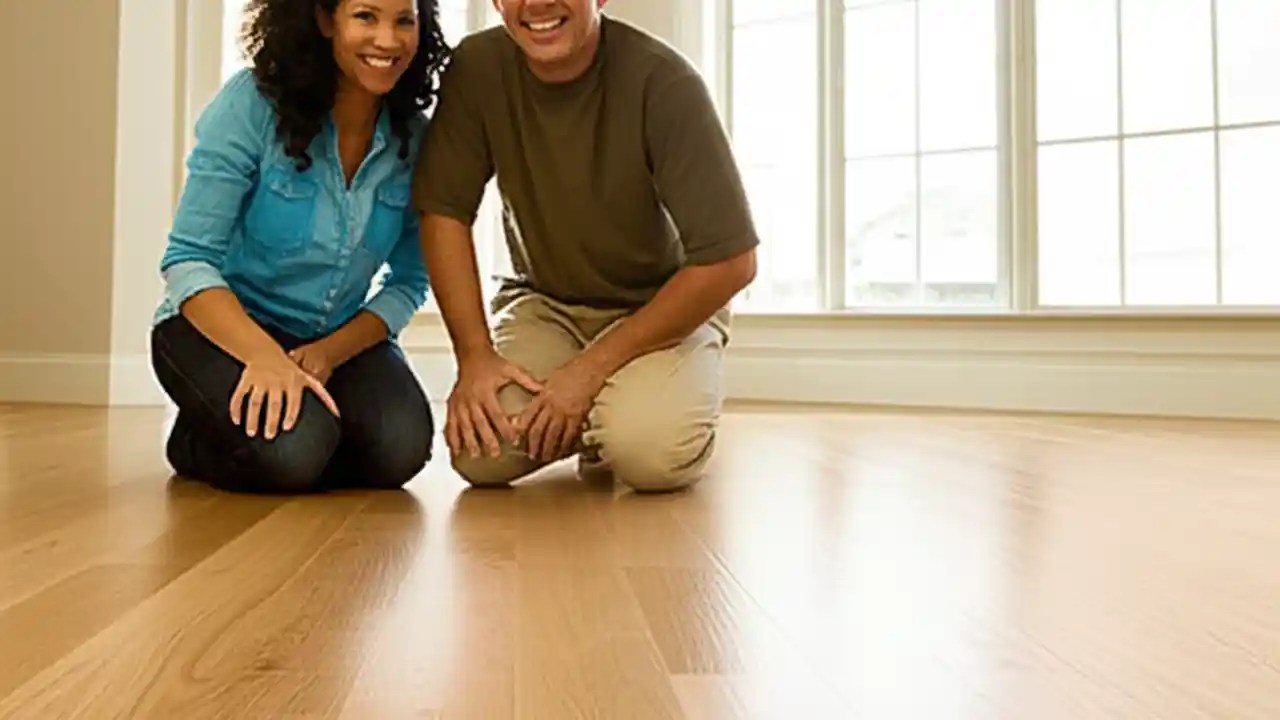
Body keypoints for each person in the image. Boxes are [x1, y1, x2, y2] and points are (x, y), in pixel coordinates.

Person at [412, 0, 759, 493]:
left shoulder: (665, 83)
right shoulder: (477, 68)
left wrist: (587, 373)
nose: (537, 4)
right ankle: (607, 419)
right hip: (548, 306)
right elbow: (444, 211)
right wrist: (474, 357)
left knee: (649, 453)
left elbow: (732, 261)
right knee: (480, 454)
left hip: (658, 312)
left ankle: (646, 408)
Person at [148, 0, 451, 494]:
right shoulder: (250, 105)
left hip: (329, 338)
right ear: (326, 19)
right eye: (366, 17)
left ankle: (298, 438)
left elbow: (411, 282)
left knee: (401, 451)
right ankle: (197, 441)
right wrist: (264, 357)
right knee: (294, 454)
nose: (389, 40)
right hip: (219, 328)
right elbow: (188, 261)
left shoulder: (415, 138)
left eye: (404, 21)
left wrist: (329, 353)